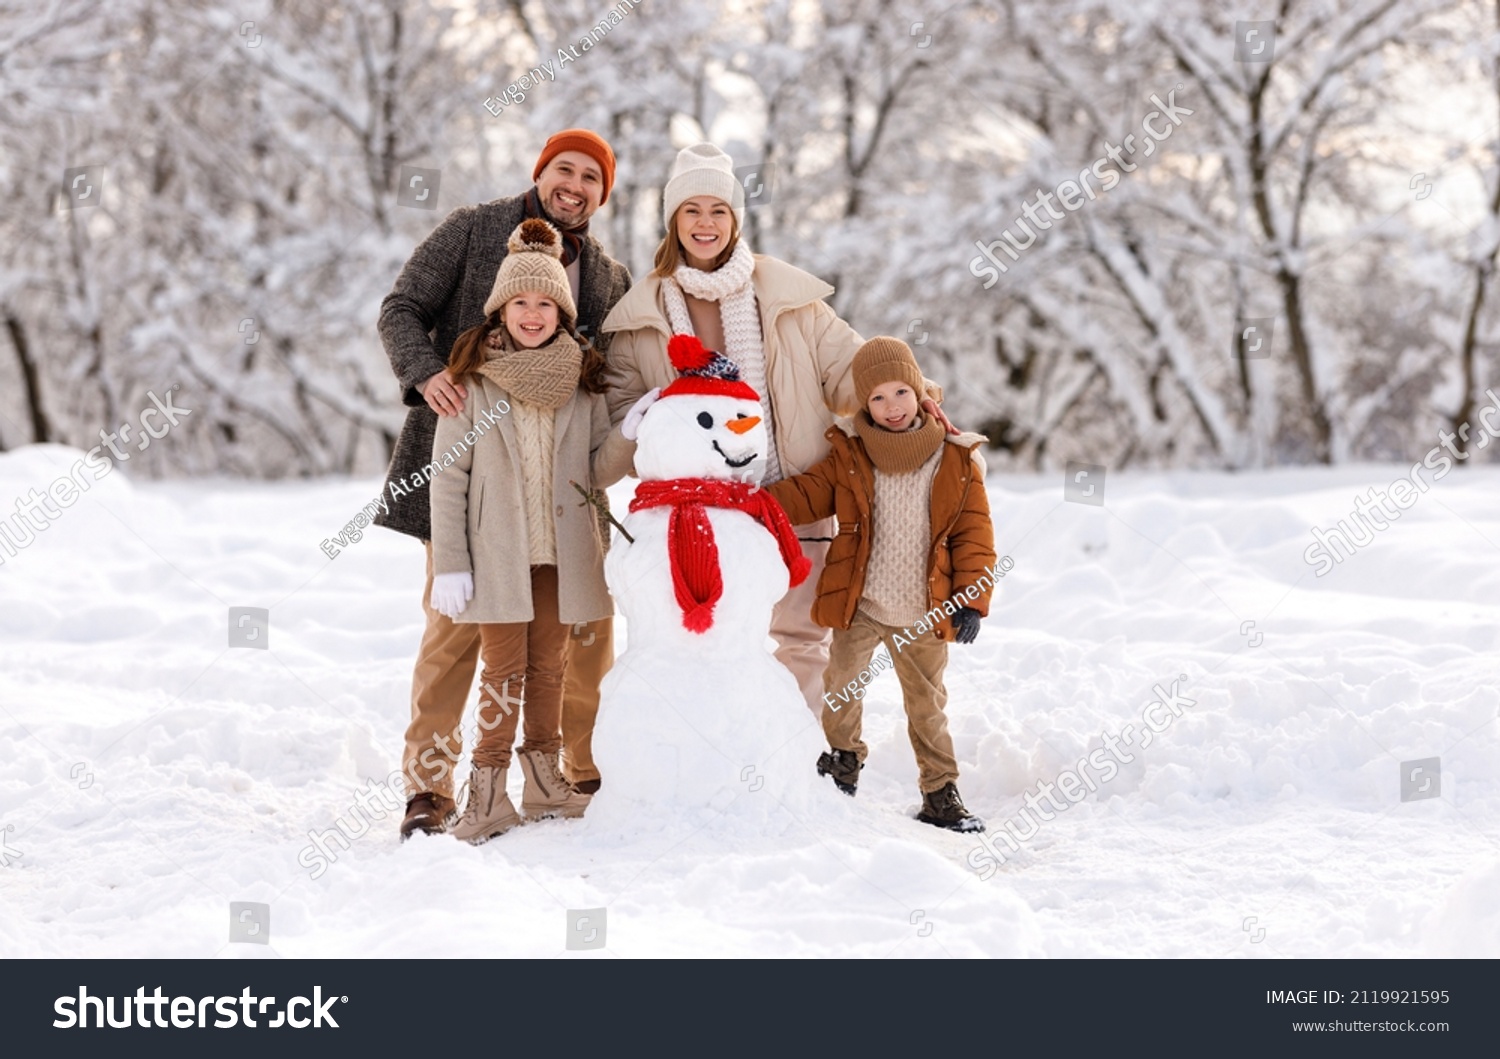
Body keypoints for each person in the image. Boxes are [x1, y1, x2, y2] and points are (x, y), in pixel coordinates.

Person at [601, 142, 952, 718]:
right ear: (672, 221)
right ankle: (721, 750)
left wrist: (920, 390)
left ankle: (803, 759)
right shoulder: (641, 319)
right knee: (705, 639)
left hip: (795, 491)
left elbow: (851, 370)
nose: (705, 223)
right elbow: (623, 417)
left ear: (736, 218)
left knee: (802, 637)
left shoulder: (790, 302)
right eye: (692, 210)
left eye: (719, 210)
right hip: (698, 513)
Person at [376, 130, 631, 840]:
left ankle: (574, 768)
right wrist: (427, 374)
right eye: (563, 170)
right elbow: (400, 308)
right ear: (540, 172)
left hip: (560, 487)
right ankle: (432, 784)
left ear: (602, 194)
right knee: (458, 631)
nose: (573, 185)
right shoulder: (473, 228)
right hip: (463, 466)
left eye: (590, 177)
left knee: (579, 632)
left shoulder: (607, 277)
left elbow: (614, 373)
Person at [427, 218, 635, 844]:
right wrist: (451, 564)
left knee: (551, 668)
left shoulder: (582, 383)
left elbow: (597, 469)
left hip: (560, 554)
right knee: (502, 669)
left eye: (546, 303)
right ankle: (487, 790)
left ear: (563, 313)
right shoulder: (472, 381)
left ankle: (545, 782)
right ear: (501, 308)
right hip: (496, 556)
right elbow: (448, 479)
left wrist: (632, 432)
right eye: (521, 302)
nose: (534, 313)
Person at [764, 337, 996, 832]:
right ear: (864, 404)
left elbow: (974, 536)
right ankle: (841, 767)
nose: (891, 407)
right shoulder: (851, 455)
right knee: (840, 690)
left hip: (927, 610)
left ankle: (940, 792)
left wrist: (971, 601)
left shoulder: (956, 460)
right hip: (861, 604)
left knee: (927, 706)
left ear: (919, 393)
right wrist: (756, 503)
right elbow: (808, 493)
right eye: (877, 398)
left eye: (900, 393)